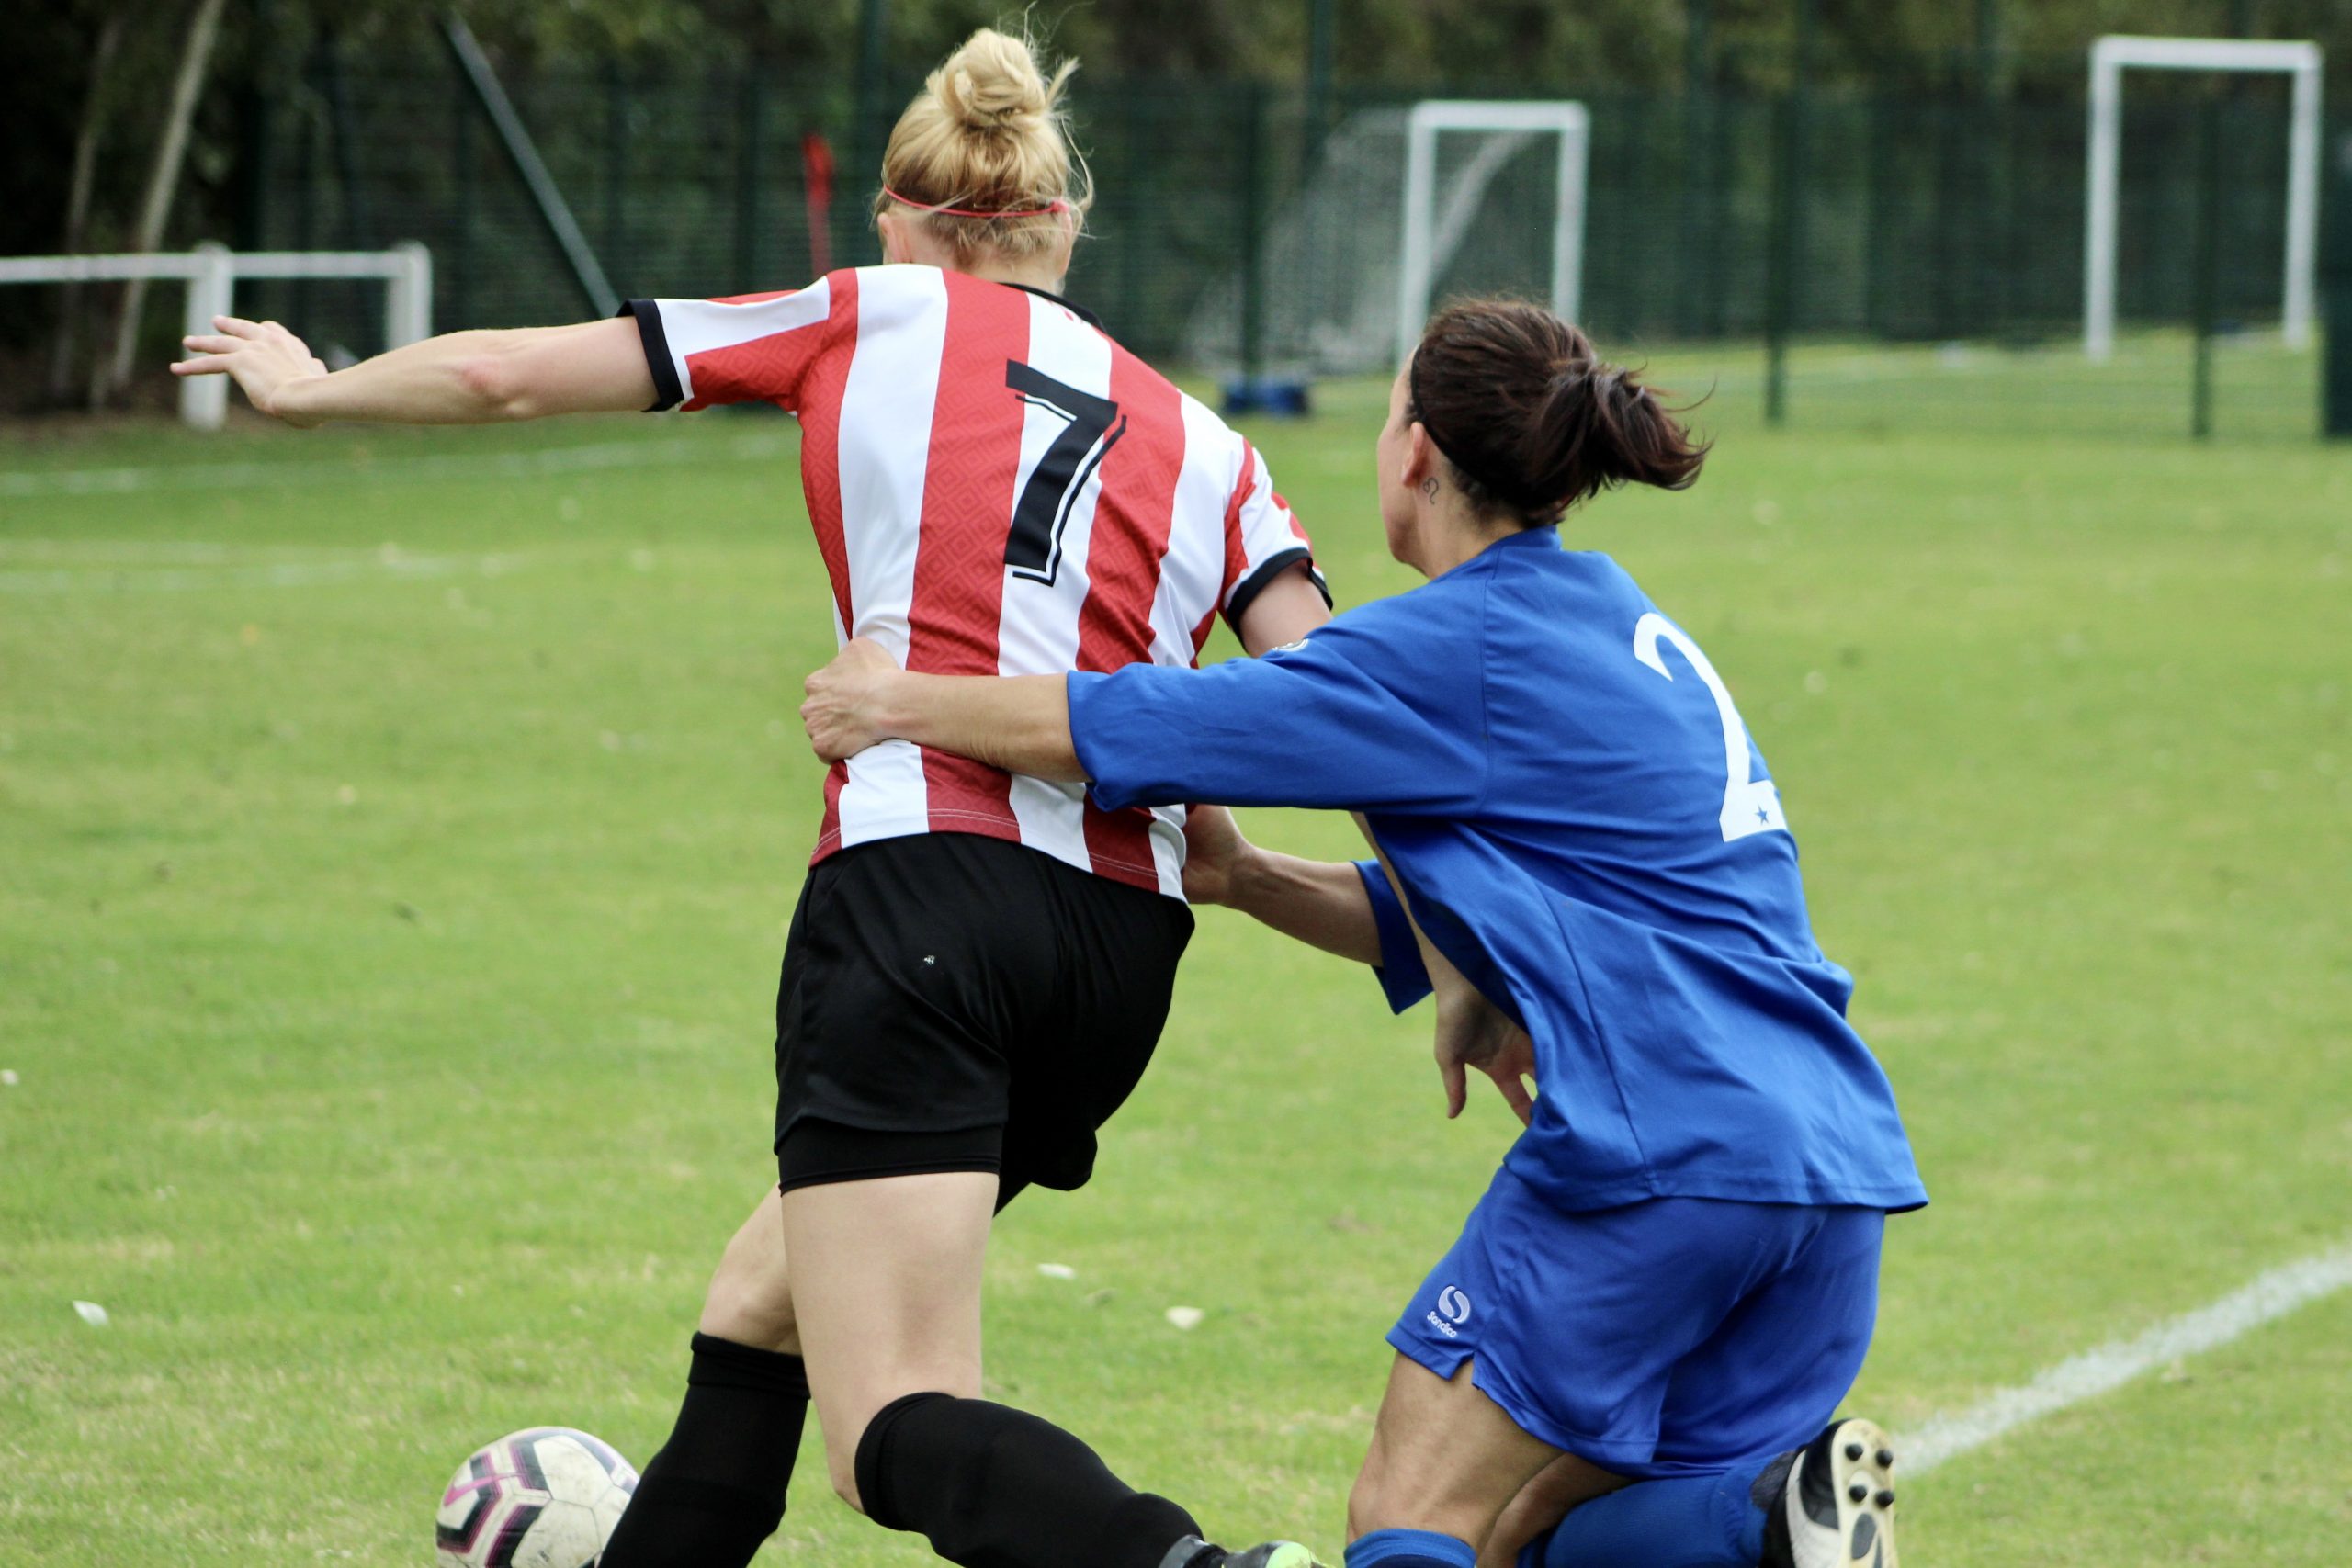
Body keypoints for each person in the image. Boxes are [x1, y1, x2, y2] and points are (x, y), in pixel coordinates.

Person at [174, 28, 1337, 1568]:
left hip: (926, 900)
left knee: (890, 1436)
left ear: (897, 218)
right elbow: (1325, 709)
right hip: (1121, 957)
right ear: (1066, 225)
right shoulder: (1218, 451)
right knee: (759, 1305)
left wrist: (313, 394)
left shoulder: (865, 311)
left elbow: (511, 374)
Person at [798, 298, 1928, 1568]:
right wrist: (1240, 877)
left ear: (1416, 452)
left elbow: (1140, 721)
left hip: (1668, 1146)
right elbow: (1540, 898)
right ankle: (1761, 1523)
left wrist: (901, 702)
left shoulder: (1449, 645)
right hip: (1824, 1169)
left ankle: (1760, 1529)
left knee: (1411, 1516)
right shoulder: (1622, 625)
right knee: (1533, 1531)